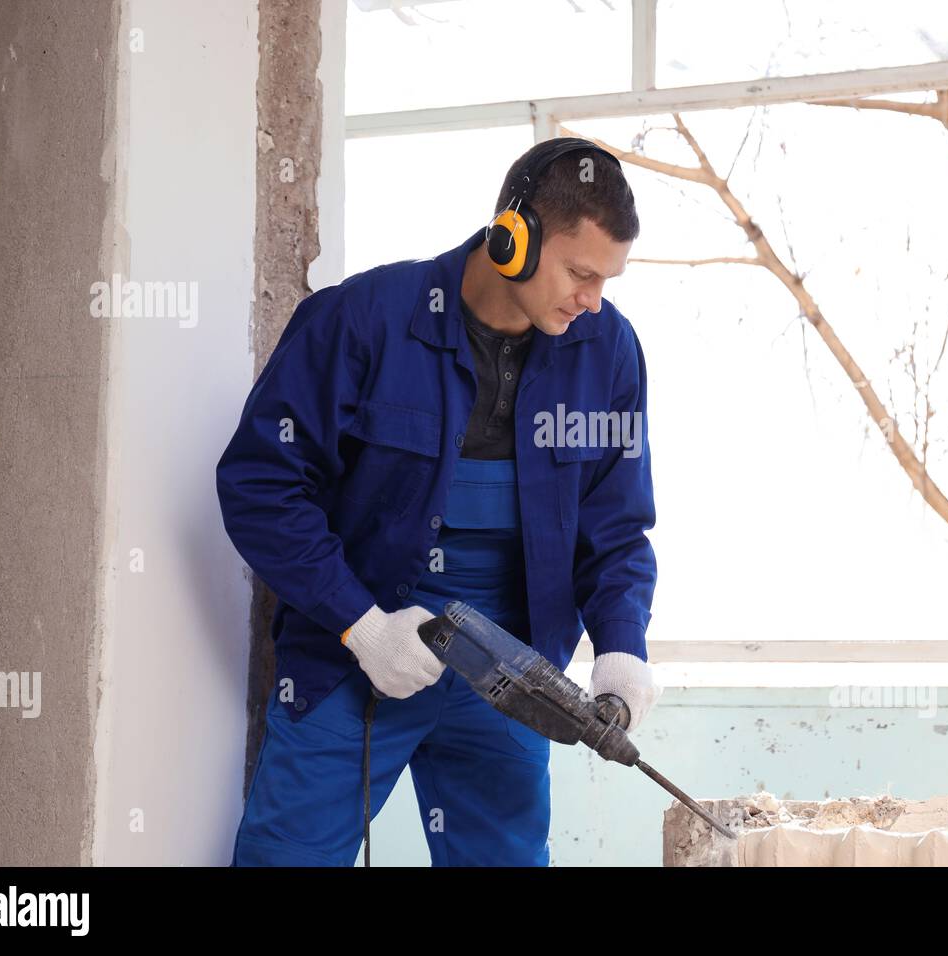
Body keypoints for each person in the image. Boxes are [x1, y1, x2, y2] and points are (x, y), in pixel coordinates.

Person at [216, 136, 661, 867]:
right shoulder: (363, 322)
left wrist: (620, 647)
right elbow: (260, 485)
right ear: (511, 239)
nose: (592, 301)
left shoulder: (605, 351)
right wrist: (361, 628)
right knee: (285, 858)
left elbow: (614, 524)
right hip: (359, 650)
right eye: (580, 273)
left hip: (511, 670)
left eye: (607, 281)